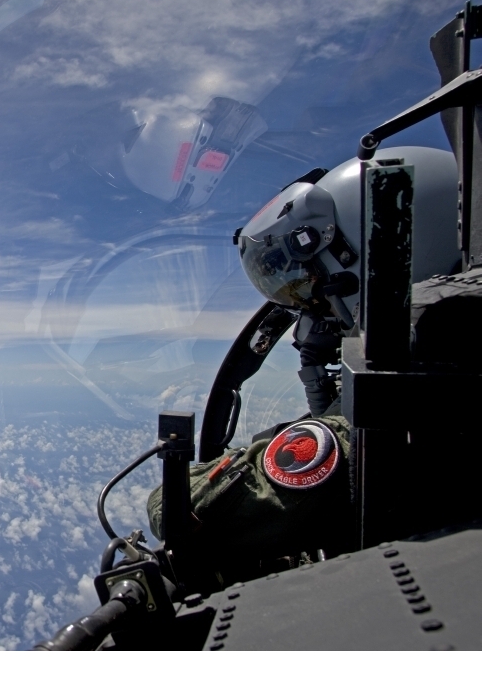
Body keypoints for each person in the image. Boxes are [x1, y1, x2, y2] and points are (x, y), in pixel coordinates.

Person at [146, 145, 460, 585]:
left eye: (311, 287)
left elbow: (193, 511)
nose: (311, 319)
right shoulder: (451, 372)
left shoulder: (412, 409)